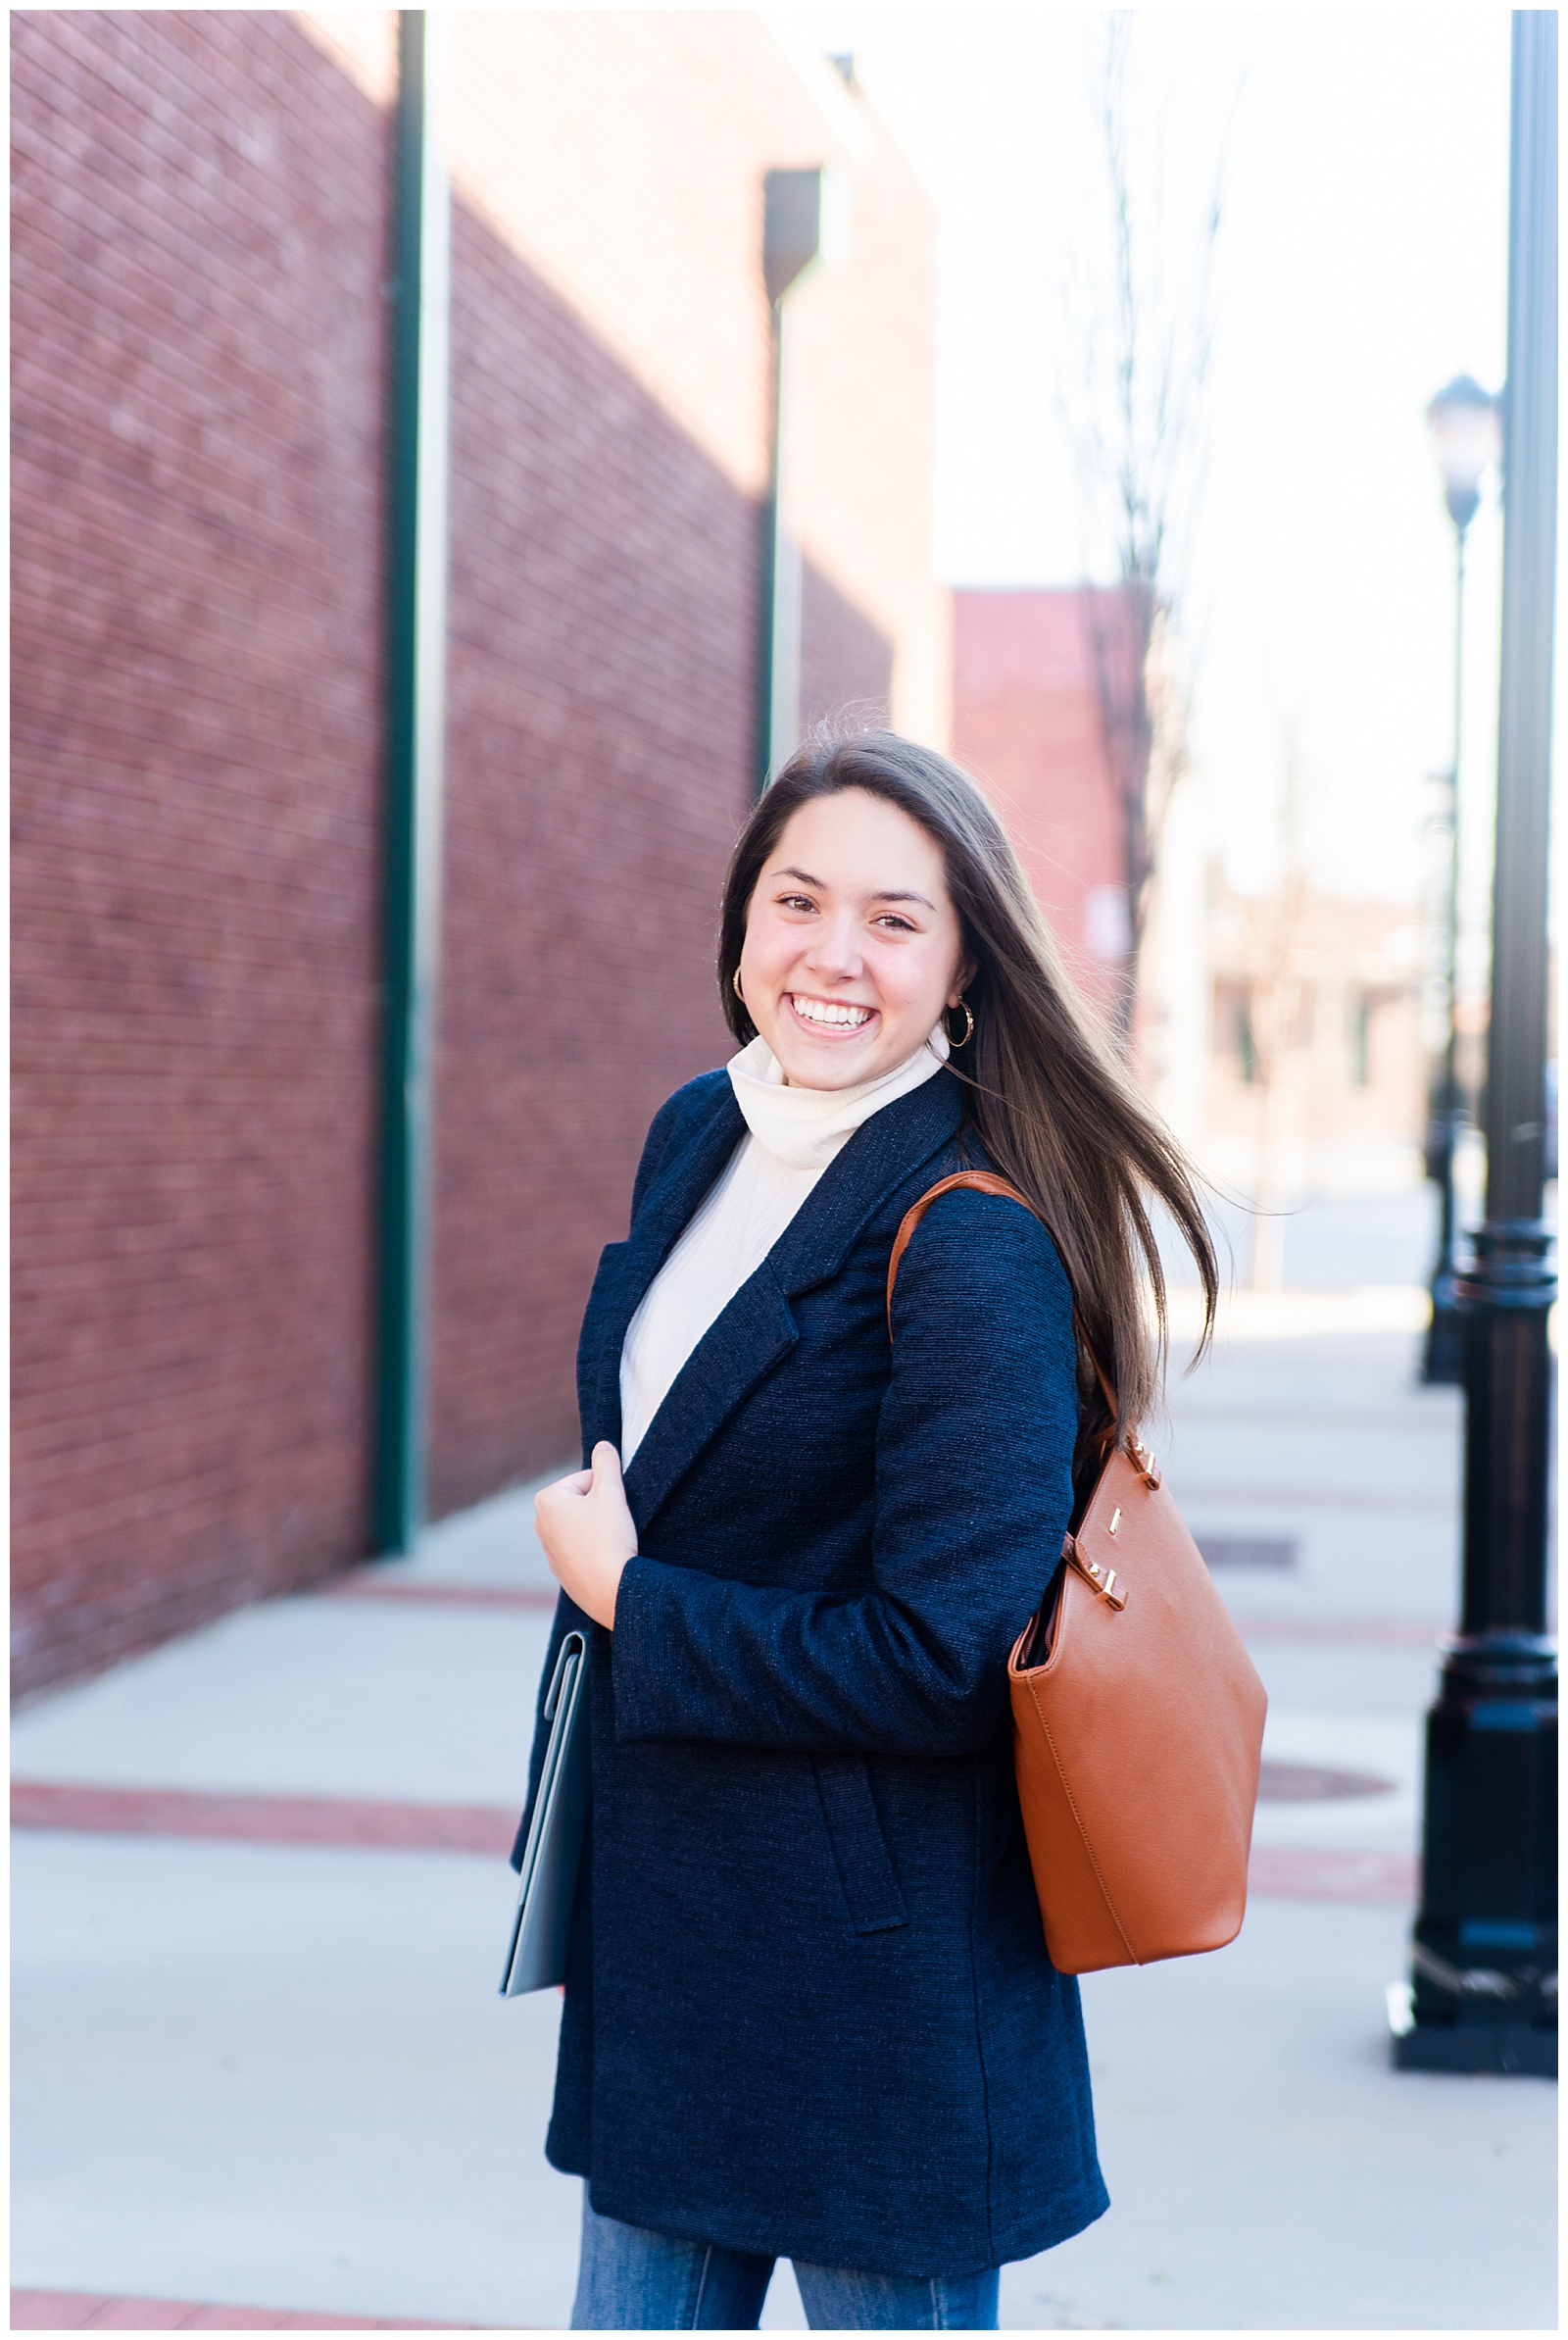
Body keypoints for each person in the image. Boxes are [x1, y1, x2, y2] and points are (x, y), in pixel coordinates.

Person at [521, 730, 1217, 2331]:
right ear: (741, 927)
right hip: (671, 1937)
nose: (835, 956)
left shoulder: (974, 1236)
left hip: (868, 1985)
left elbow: (940, 1663)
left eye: (897, 920)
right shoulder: (700, 1131)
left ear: (966, 965)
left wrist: (636, 1603)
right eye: (797, 901)